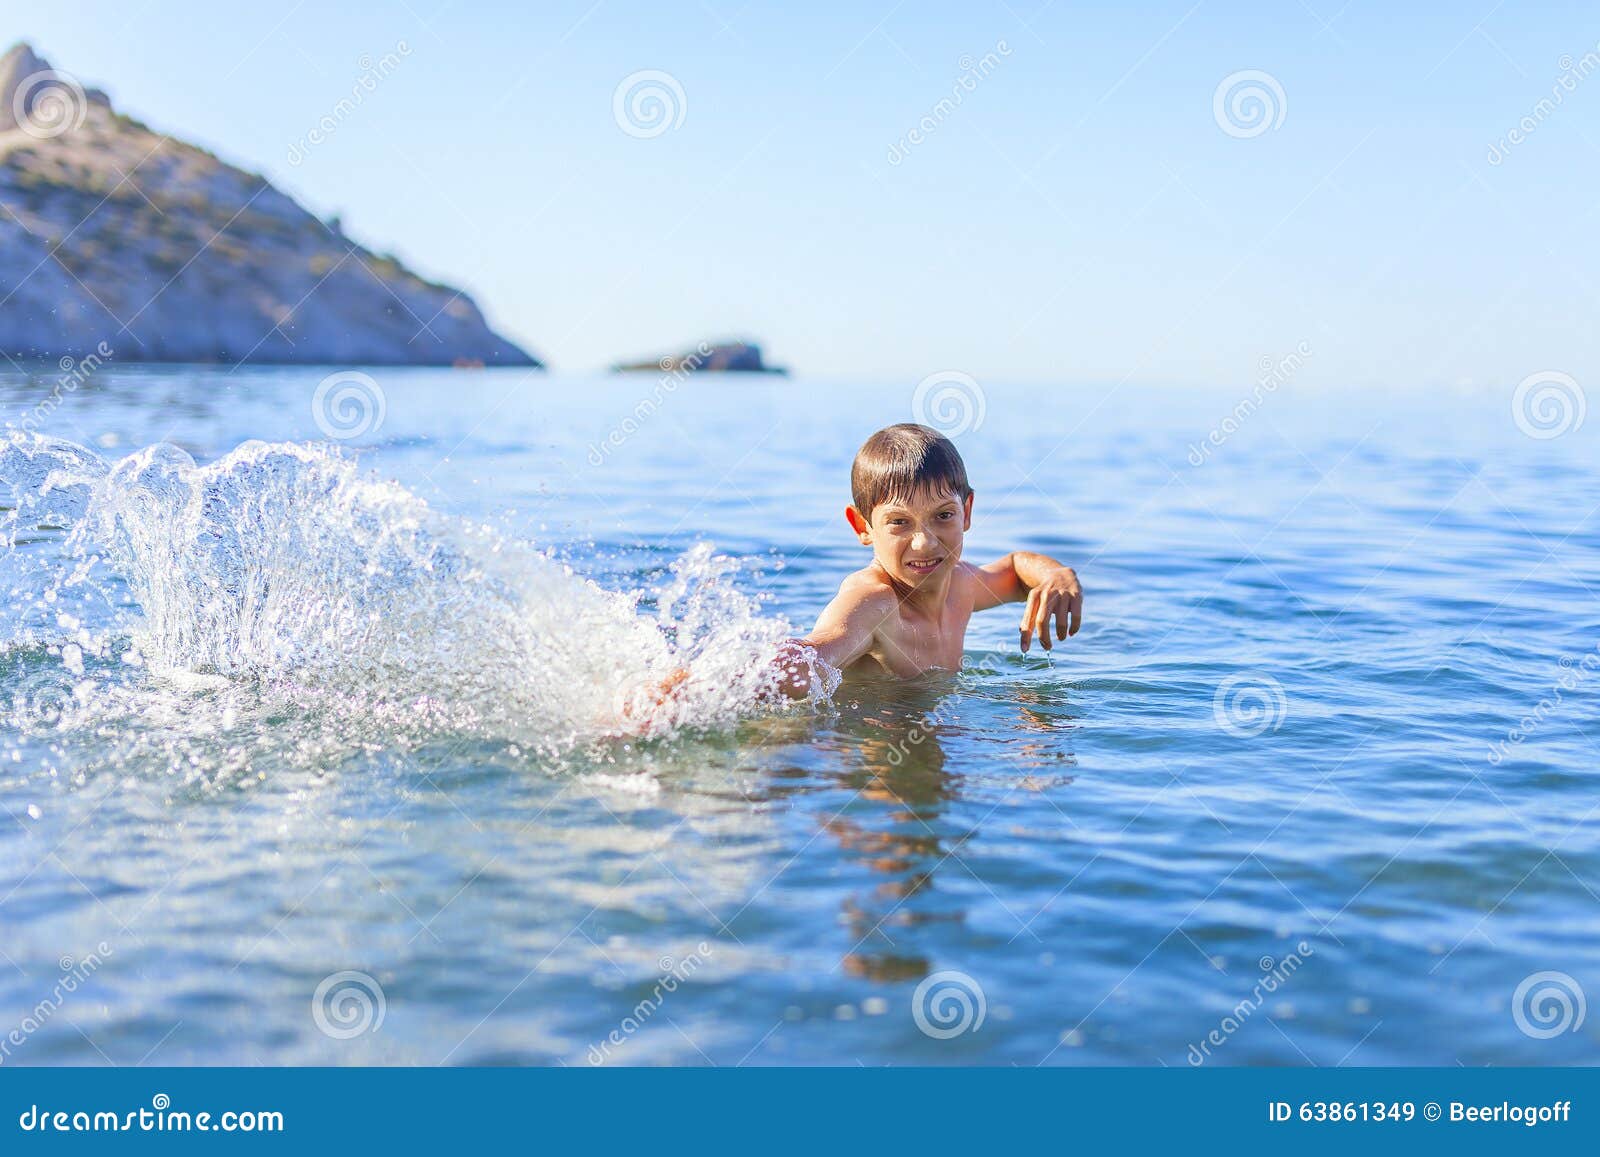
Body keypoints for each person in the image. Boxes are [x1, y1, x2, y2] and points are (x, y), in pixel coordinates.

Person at [778, 422, 1082, 694]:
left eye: (943, 515)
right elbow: (816, 652)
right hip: (869, 745)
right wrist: (769, 671)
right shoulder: (874, 603)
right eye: (899, 522)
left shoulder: (960, 584)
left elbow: (1016, 571)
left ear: (967, 512)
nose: (924, 543)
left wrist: (1055, 575)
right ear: (862, 526)